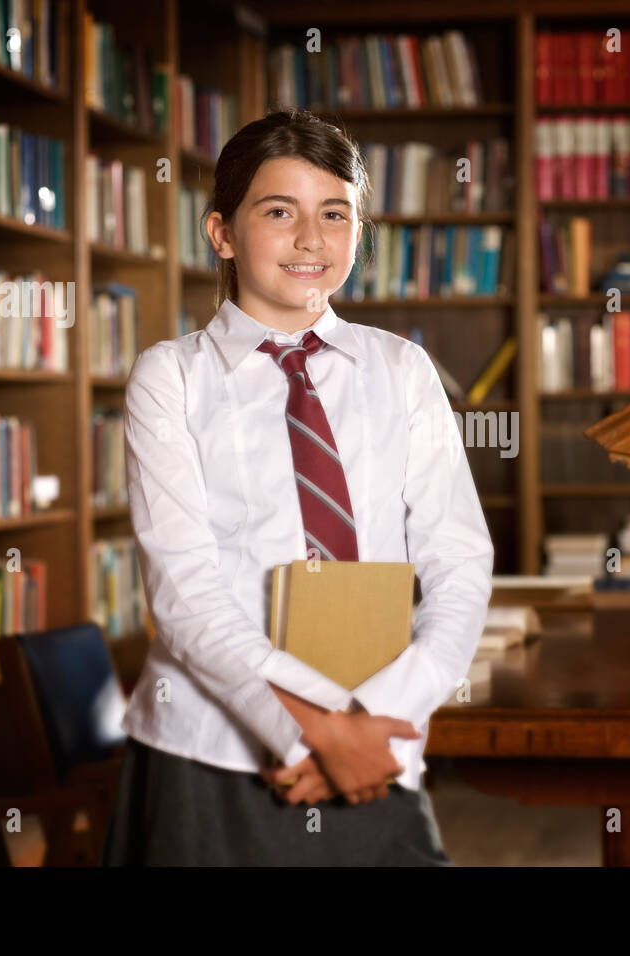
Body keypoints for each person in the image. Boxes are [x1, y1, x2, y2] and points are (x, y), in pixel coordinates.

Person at [100, 108, 494, 865]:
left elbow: (459, 562)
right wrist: (313, 731)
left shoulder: (401, 369)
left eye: (335, 214)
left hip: (379, 743)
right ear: (221, 232)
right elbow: (185, 596)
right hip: (213, 754)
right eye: (279, 212)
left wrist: (375, 720)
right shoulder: (171, 377)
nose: (311, 239)